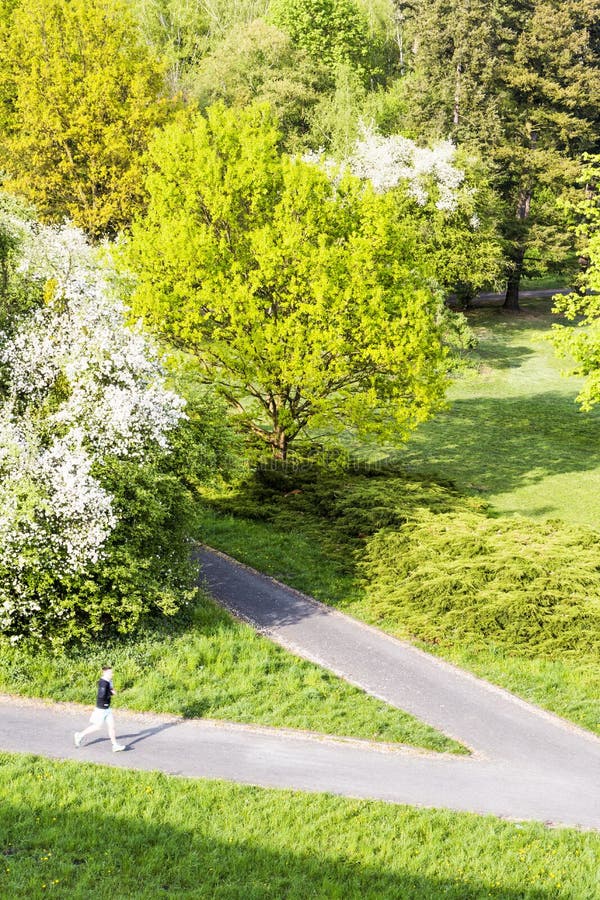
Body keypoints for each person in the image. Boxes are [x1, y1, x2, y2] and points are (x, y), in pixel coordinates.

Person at [74, 665, 126, 752]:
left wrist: (111, 690)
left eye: (112, 672)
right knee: (97, 727)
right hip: (101, 708)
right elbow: (101, 695)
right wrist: (111, 692)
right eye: (110, 672)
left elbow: (110, 689)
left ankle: (115, 745)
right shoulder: (103, 683)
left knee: (112, 726)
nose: (112, 674)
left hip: (107, 708)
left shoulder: (109, 681)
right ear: (105, 673)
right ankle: (79, 735)